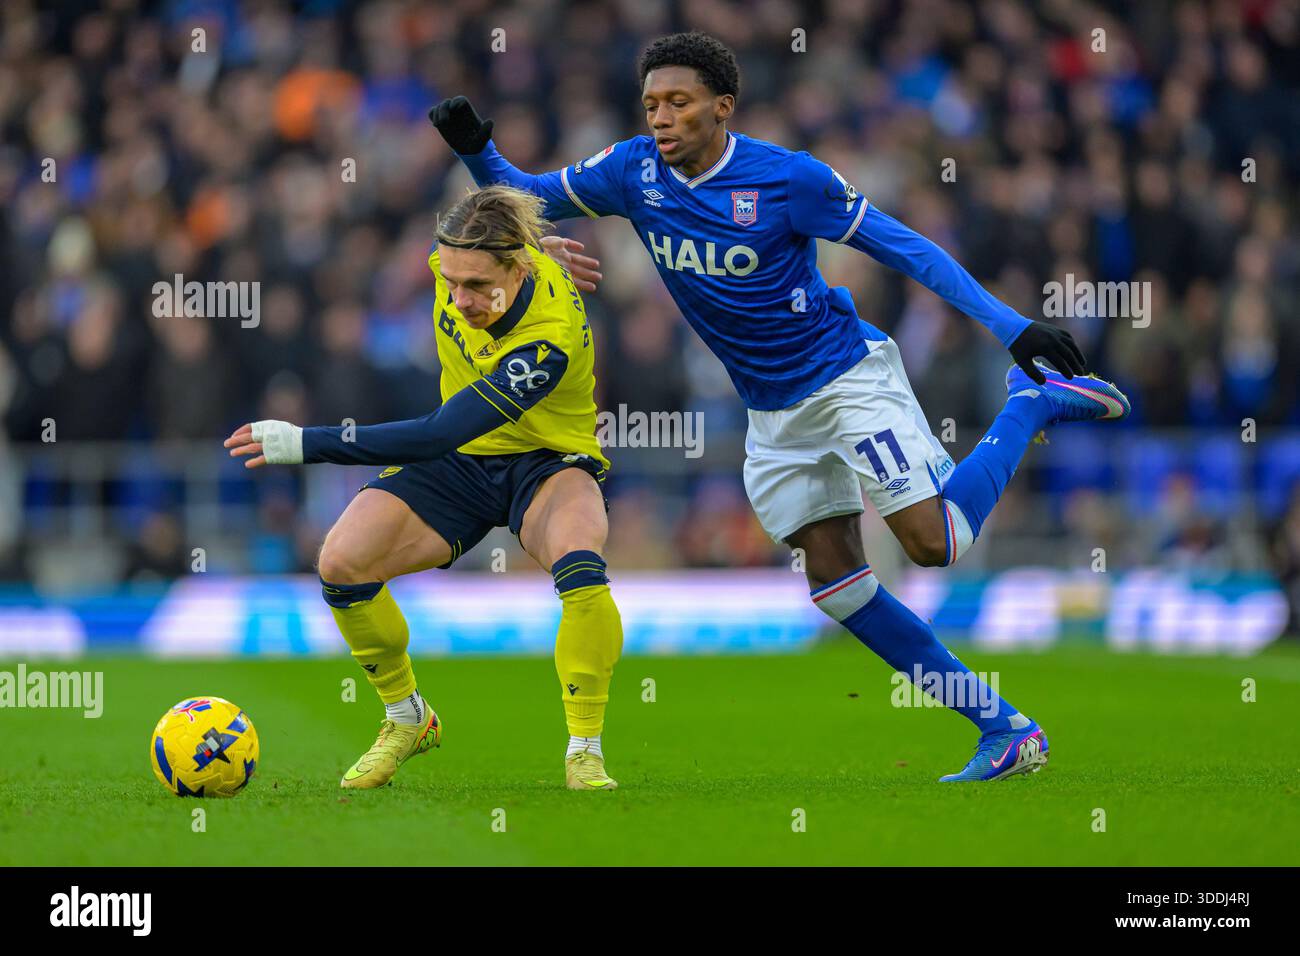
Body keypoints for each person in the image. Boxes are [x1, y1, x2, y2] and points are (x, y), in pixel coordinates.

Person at [430, 31, 1132, 782]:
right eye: (651, 105)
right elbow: (526, 196)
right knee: (836, 585)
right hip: (772, 413)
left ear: (722, 107)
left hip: (846, 381)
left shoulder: (789, 180)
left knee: (932, 545)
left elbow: (906, 247)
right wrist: (476, 146)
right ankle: (1004, 728)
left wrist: (1011, 327)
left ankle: (1029, 406)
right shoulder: (631, 171)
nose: (661, 118)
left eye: (679, 103)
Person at [224, 185, 624, 791]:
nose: (458, 297)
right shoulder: (460, 255)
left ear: (518, 272)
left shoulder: (549, 338)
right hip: (463, 462)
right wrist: (530, 235)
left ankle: (584, 750)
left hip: (546, 461)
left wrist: (305, 443)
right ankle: (406, 717)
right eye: (451, 281)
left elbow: (436, 432)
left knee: (580, 564)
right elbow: (490, 204)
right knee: (342, 561)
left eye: (475, 287)